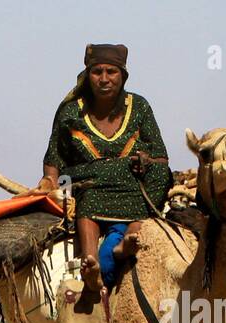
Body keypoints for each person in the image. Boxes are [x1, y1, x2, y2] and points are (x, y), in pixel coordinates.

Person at [37, 44, 169, 307]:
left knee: (161, 178)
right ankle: (92, 265)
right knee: (91, 189)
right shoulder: (71, 112)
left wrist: (145, 160)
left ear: (123, 76)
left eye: (112, 71)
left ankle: (126, 242)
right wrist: (49, 184)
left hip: (132, 182)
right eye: (97, 71)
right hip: (89, 182)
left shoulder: (139, 106)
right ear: (88, 74)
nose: (105, 78)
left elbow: (161, 157)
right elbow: (54, 158)